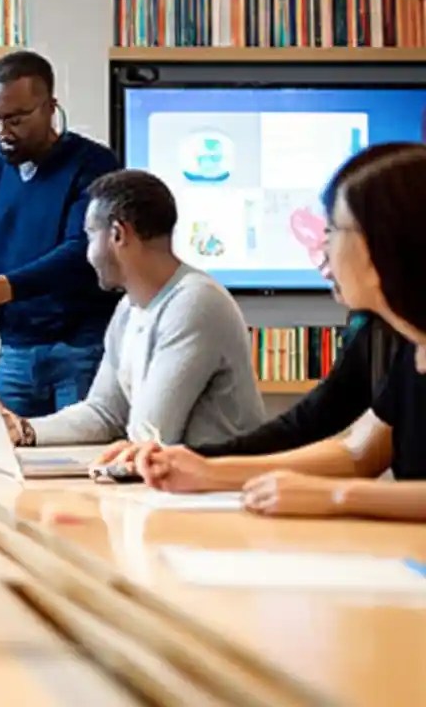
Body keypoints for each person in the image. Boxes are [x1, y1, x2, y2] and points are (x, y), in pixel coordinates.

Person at [134, 145, 426, 521]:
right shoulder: (410, 346)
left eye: (333, 230)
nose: (322, 248)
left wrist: (338, 496)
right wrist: (205, 471)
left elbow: (351, 472)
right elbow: (358, 453)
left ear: (383, 242)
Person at [0, 169, 264, 448]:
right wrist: (24, 430)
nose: (87, 253)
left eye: (89, 236)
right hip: (167, 482)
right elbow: (103, 413)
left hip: (217, 486)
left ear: (118, 234)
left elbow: (153, 435)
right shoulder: (128, 308)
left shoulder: (196, 302)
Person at [0, 50, 120, 419]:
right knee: (7, 457)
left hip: (83, 347)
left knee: (82, 461)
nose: (3, 131)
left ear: (50, 108)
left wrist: (5, 287)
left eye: (16, 119)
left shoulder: (94, 164)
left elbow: (82, 251)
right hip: (15, 349)